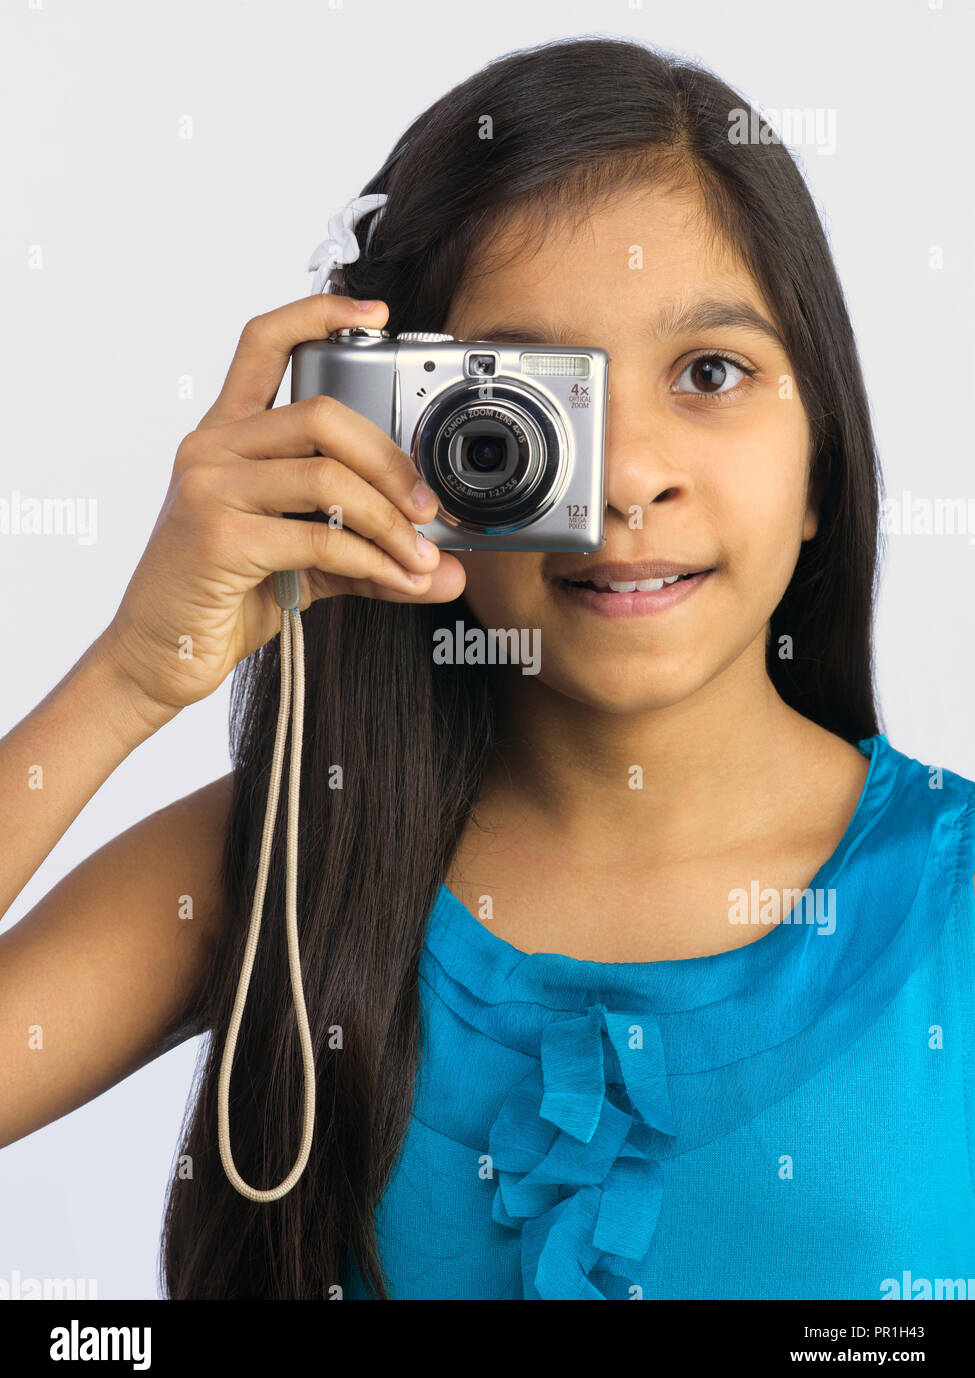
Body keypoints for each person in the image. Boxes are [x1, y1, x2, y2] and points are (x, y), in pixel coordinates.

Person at [2, 36, 973, 1301]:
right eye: (532, 400)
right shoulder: (295, 857)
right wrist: (132, 676)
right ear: (399, 441)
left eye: (712, 373)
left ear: (821, 463)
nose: (630, 477)